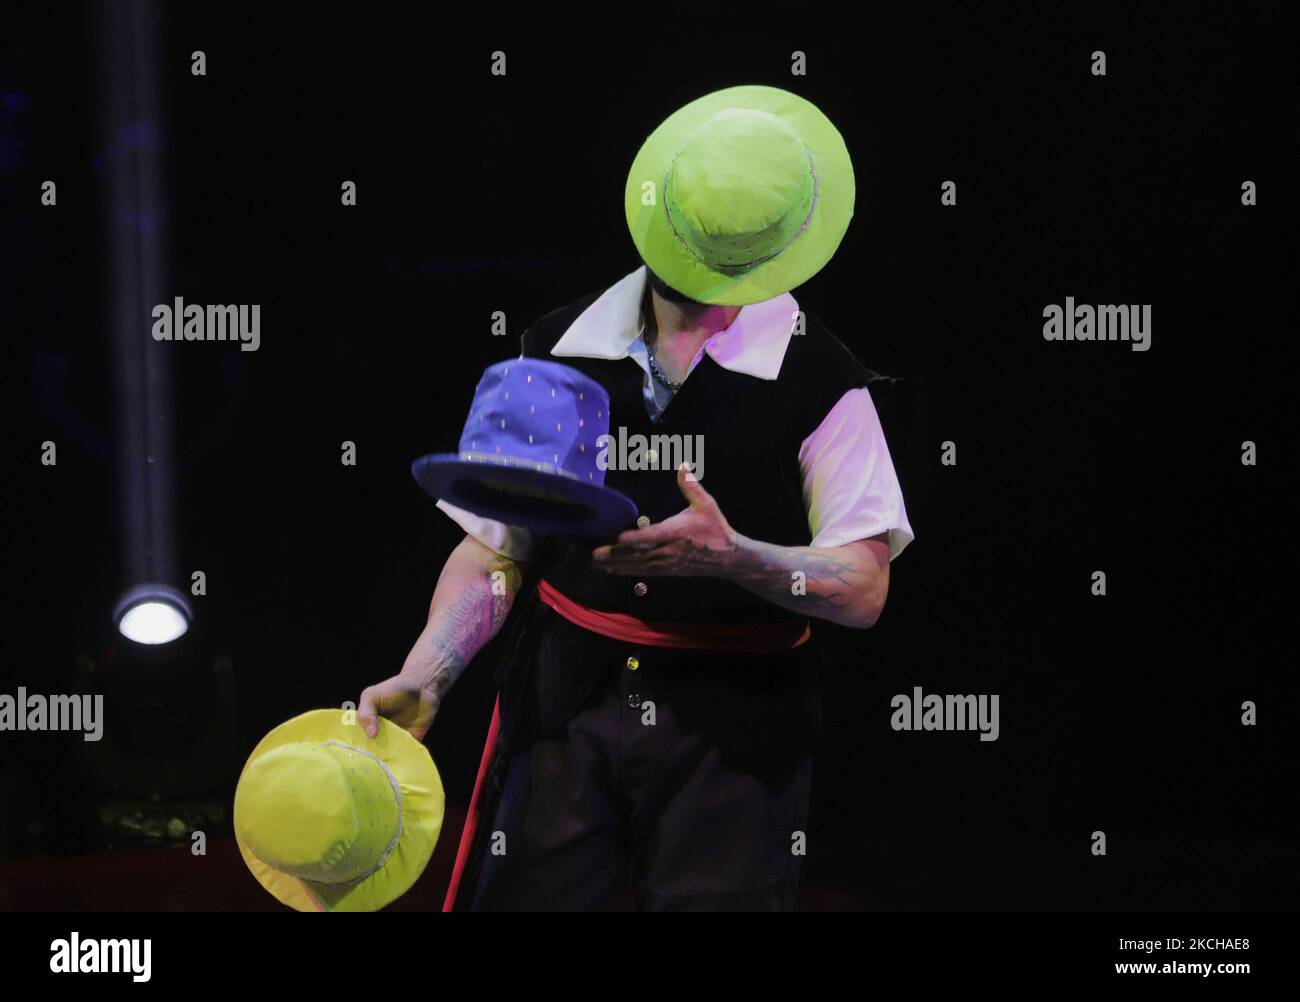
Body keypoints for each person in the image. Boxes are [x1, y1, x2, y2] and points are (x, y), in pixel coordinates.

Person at [358, 85, 914, 910]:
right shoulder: (559, 346)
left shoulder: (821, 381)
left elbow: (864, 588)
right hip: (566, 704)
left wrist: (734, 558)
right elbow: (497, 549)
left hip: (738, 736)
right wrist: (430, 671)